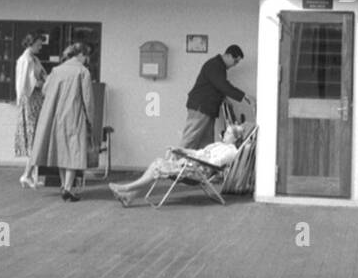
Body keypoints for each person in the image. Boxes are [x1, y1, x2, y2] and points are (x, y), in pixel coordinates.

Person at [109, 124, 246, 207]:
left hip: (196, 171)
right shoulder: (218, 144)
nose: (224, 134)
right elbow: (199, 152)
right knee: (159, 164)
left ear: (236, 138)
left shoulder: (231, 151)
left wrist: (192, 157)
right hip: (190, 165)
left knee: (158, 166)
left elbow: (214, 163)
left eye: (228, 133)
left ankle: (126, 188)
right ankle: (130, 196)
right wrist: (182, 150)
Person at [26, 41, 97, 200]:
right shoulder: (82, 71)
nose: (86, 60)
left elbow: (45, 90)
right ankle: (67, 188)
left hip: (56, 116)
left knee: (61, 152)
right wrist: (91, 119)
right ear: (81, 55)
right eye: (86, 56)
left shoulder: (57, 70)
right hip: (74, 115)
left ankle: (64, 185)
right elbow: (88, 99)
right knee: (73, 152)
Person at [182, 45, 251, 149]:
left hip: (207, 109)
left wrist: (224, 98)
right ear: (228, 55)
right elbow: (223, 85)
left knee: (206, 142)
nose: (235, 65)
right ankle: (174, 163)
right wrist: (244, 96)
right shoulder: (215, 65)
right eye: (235, 61)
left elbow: (216, 86)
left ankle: (202, 165)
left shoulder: (219, 67)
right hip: (200, 107)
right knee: (190, 138)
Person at [15, 35, 48, 186]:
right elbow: (25, 83)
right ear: (32, 43)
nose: (40, 47)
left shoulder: (33, 59)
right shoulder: (26, 60)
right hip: (30, 102)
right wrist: (41, 84)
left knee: (36, 138)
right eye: (39, 44)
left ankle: (30, 175)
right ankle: (27, 175)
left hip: (35, 102)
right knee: (35, 139)